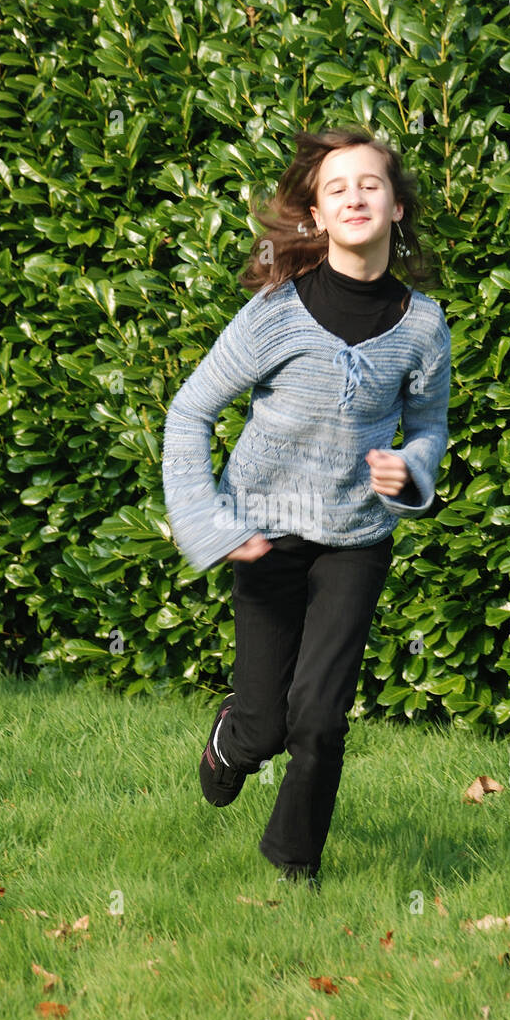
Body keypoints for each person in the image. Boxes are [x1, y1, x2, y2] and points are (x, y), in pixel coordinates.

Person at [161, 127, 451, 891]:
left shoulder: (423, 325)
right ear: (317, 216)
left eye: (370, 184)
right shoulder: (275, 316)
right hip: (265, 535)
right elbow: (189, 411)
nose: (355, 196)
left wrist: (411, 470)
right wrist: (209, 524)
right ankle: (231, 742)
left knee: (320, 718)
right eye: (336, 188)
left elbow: (429, 425)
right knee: (266, 722)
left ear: (395, 207)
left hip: (355, 539)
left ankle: (295, 868)